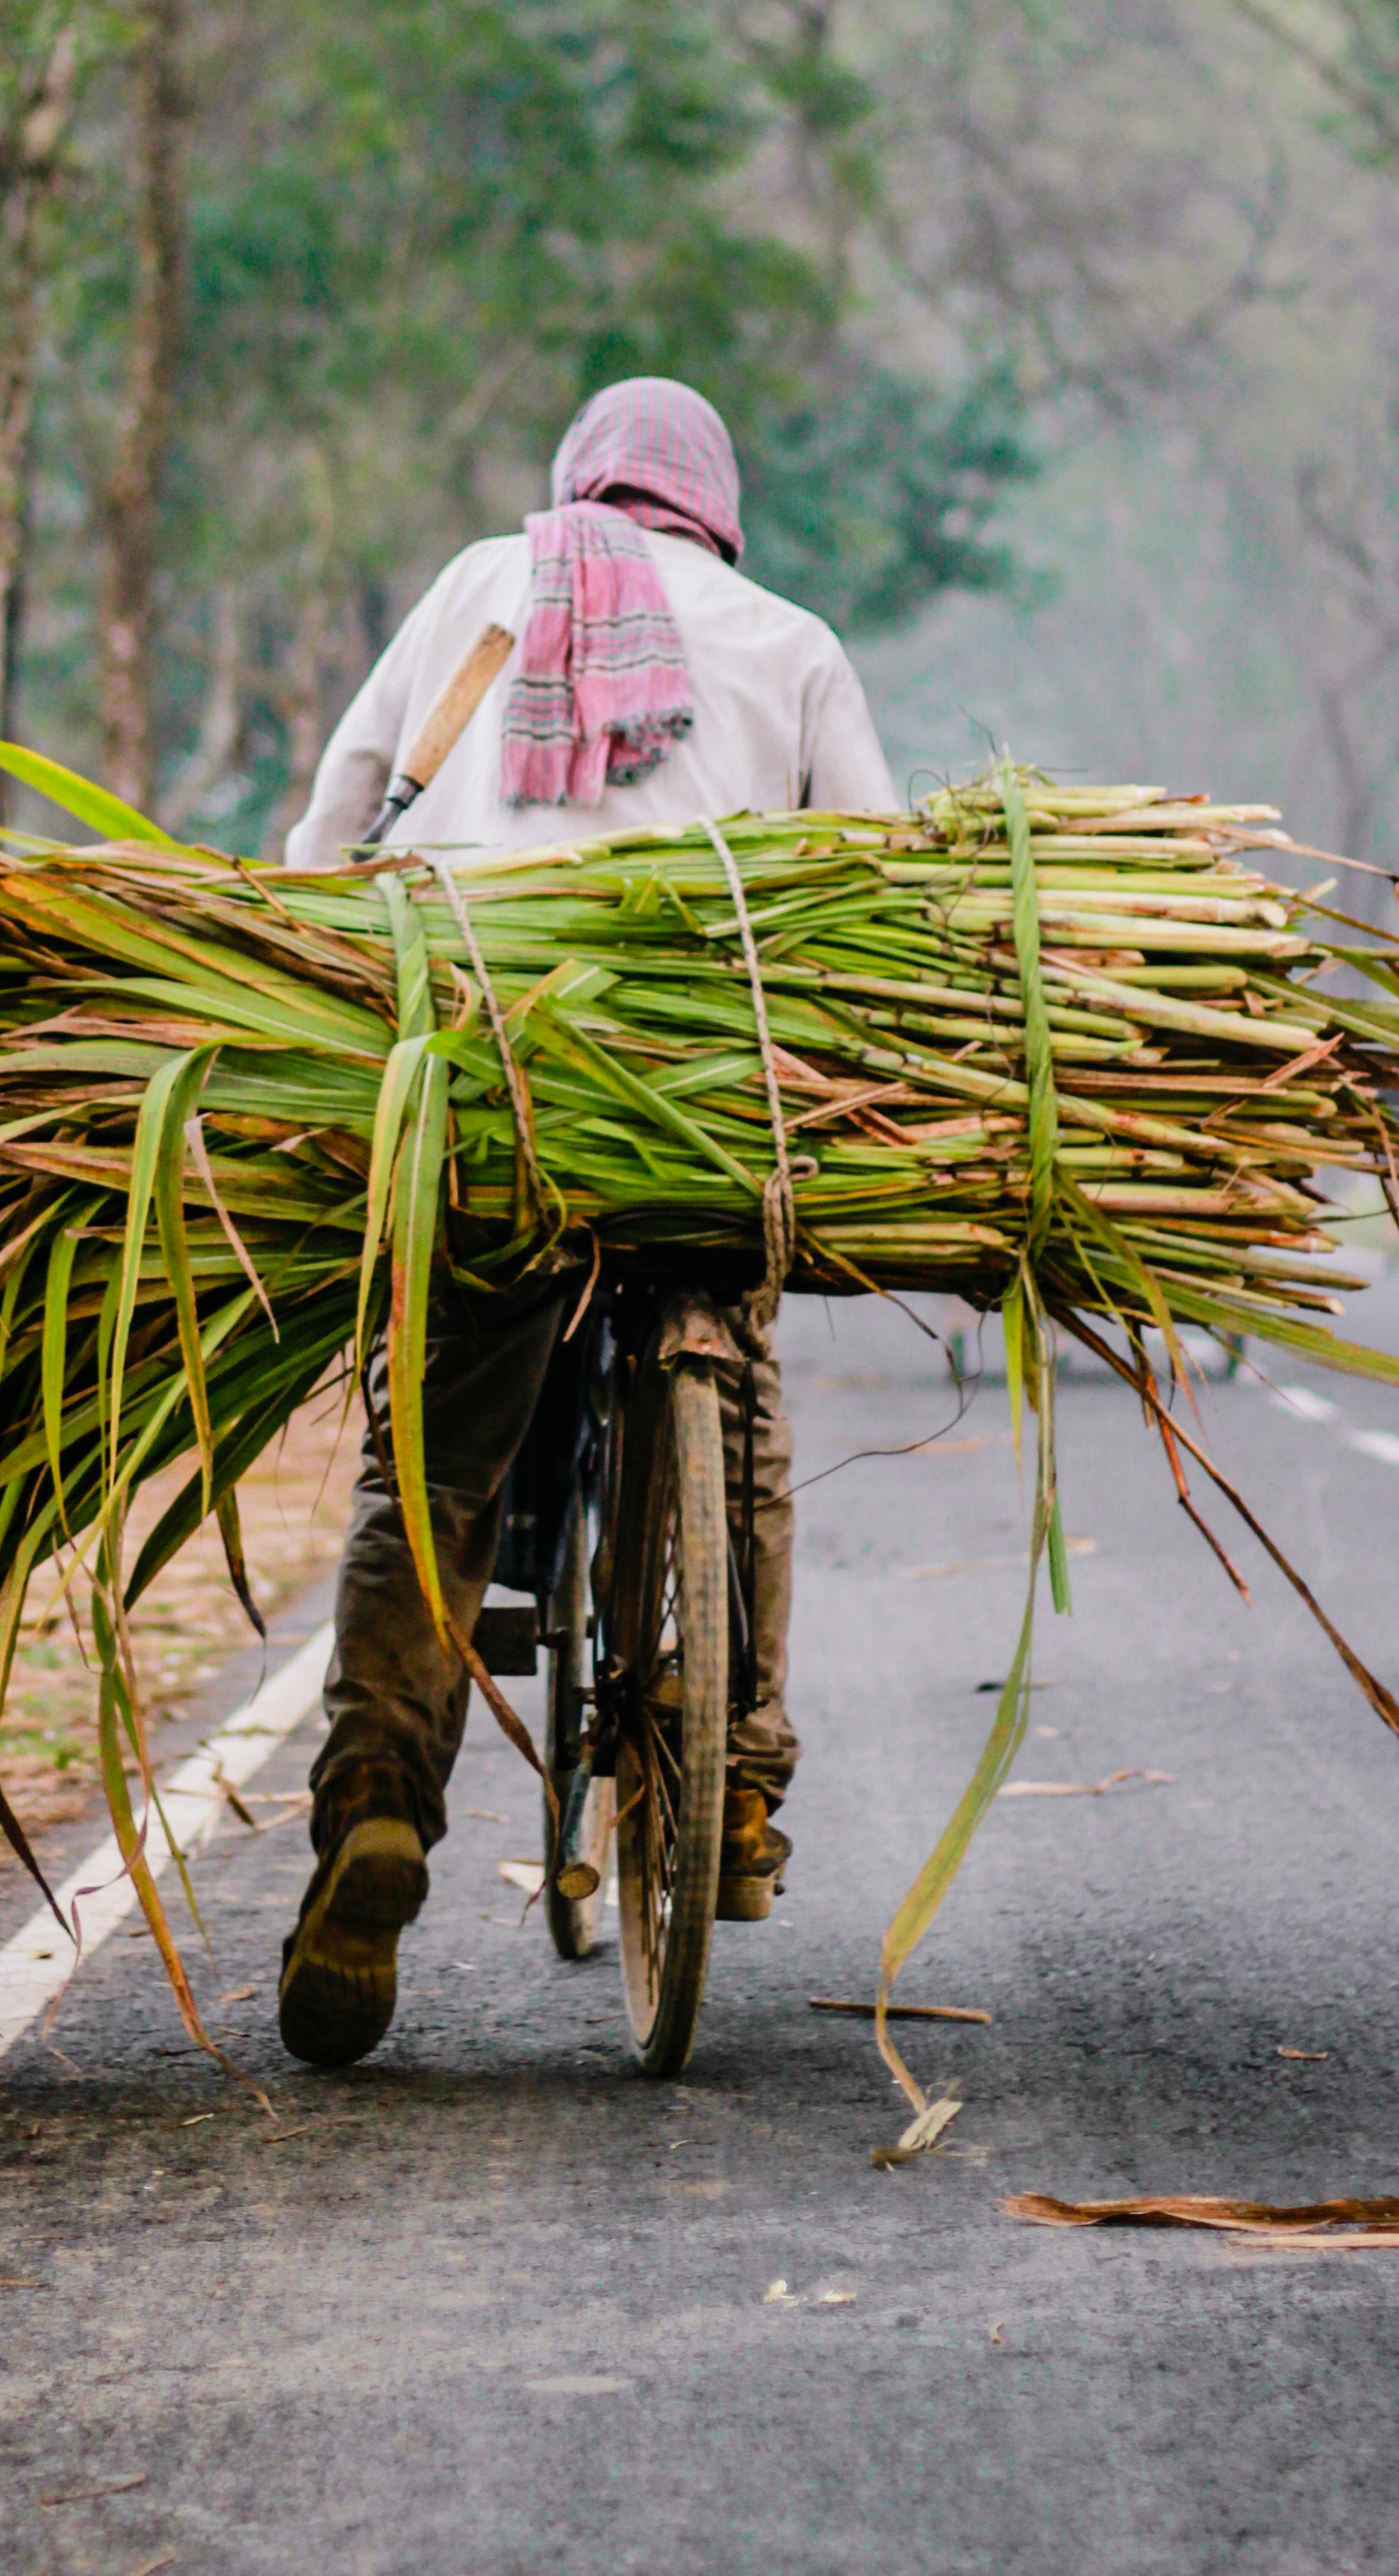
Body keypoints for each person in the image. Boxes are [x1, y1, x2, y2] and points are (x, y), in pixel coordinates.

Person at [276, 376, 899, 2067]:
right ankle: (740, 1782)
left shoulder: (483, 586)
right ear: (714, 507)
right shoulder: (791, 638)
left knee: (438, 1461)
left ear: (582, 490)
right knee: (743, 1398)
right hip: (705, 1115)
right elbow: (882, 887)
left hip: (485, 1095)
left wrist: (308, 975)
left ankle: (379, 1809)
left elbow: (333, 831)